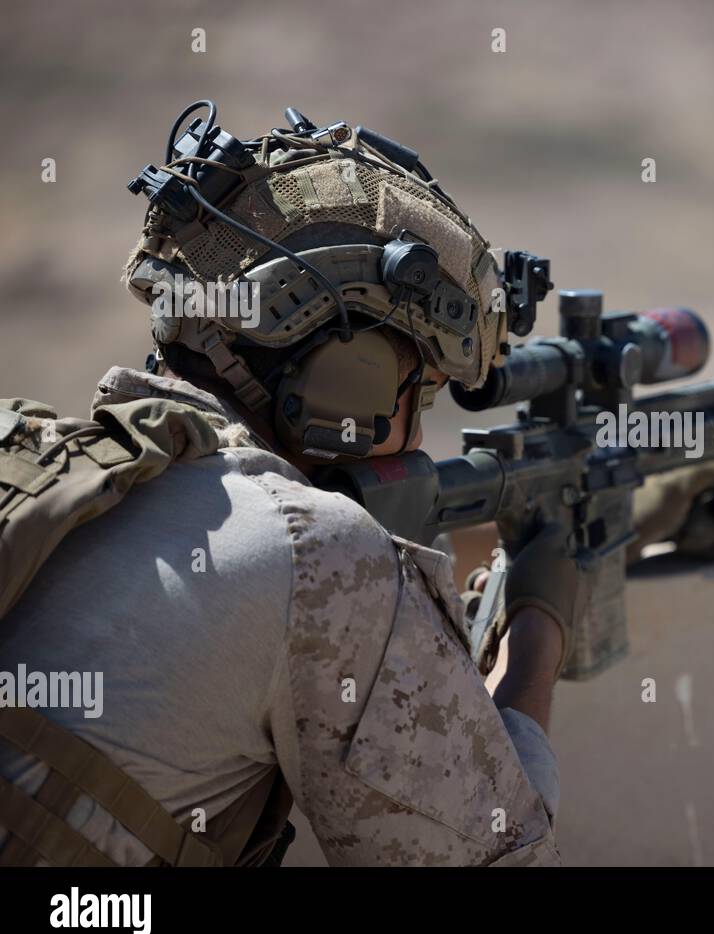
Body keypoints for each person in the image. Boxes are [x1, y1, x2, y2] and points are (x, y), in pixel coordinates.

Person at [0, 105, 572, 866]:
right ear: (346, 385)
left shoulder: (40, 461)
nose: (418, 436)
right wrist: (538, 631)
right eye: (418, 394)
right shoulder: (312, 550)